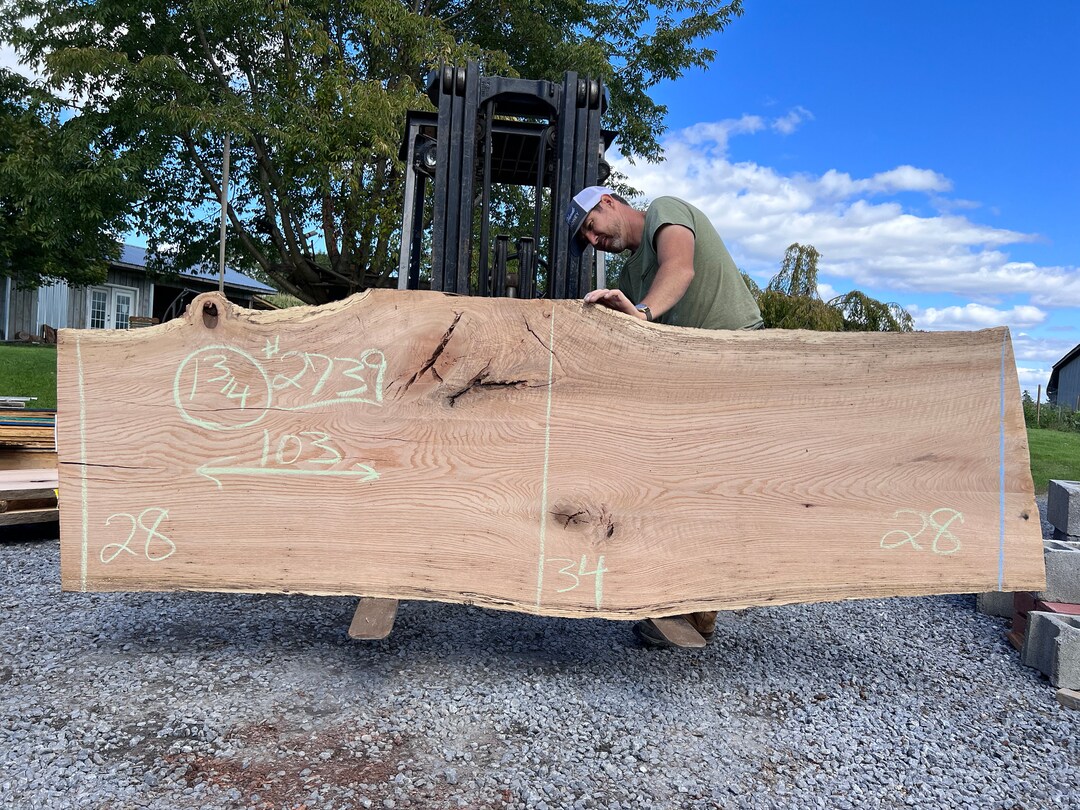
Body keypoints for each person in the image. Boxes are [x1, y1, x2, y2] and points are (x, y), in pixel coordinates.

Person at [565, 186, 763, 649]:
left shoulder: (664, 211)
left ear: (609, 201)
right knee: (675, 483)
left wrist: (643, 314)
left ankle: (698, 607)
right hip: (691, 371)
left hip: (732, 352)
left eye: (590, 227)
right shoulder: (631, 276)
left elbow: (681, 267)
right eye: (586, 239)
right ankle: (690, 607)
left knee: (704, 487)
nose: (593, 240)